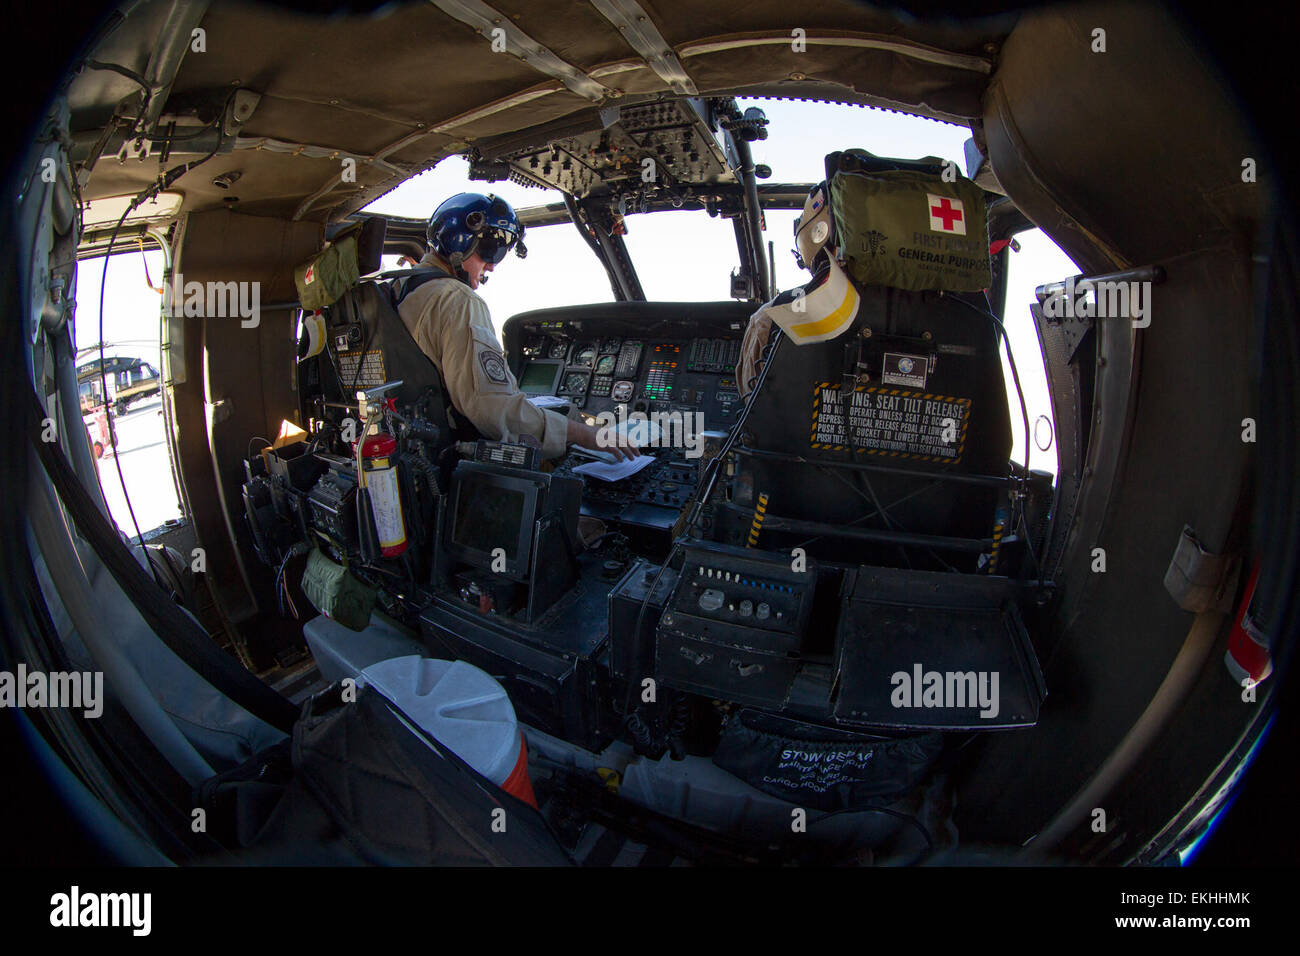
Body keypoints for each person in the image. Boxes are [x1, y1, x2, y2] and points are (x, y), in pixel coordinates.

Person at [396, 192, 638, 460]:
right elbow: (491, 406)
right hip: (451, 459)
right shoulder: (458, 300)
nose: (492, 265)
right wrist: (586, 434)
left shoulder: (400, 288)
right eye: (492, 250)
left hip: (413, 451)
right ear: (459, 240)